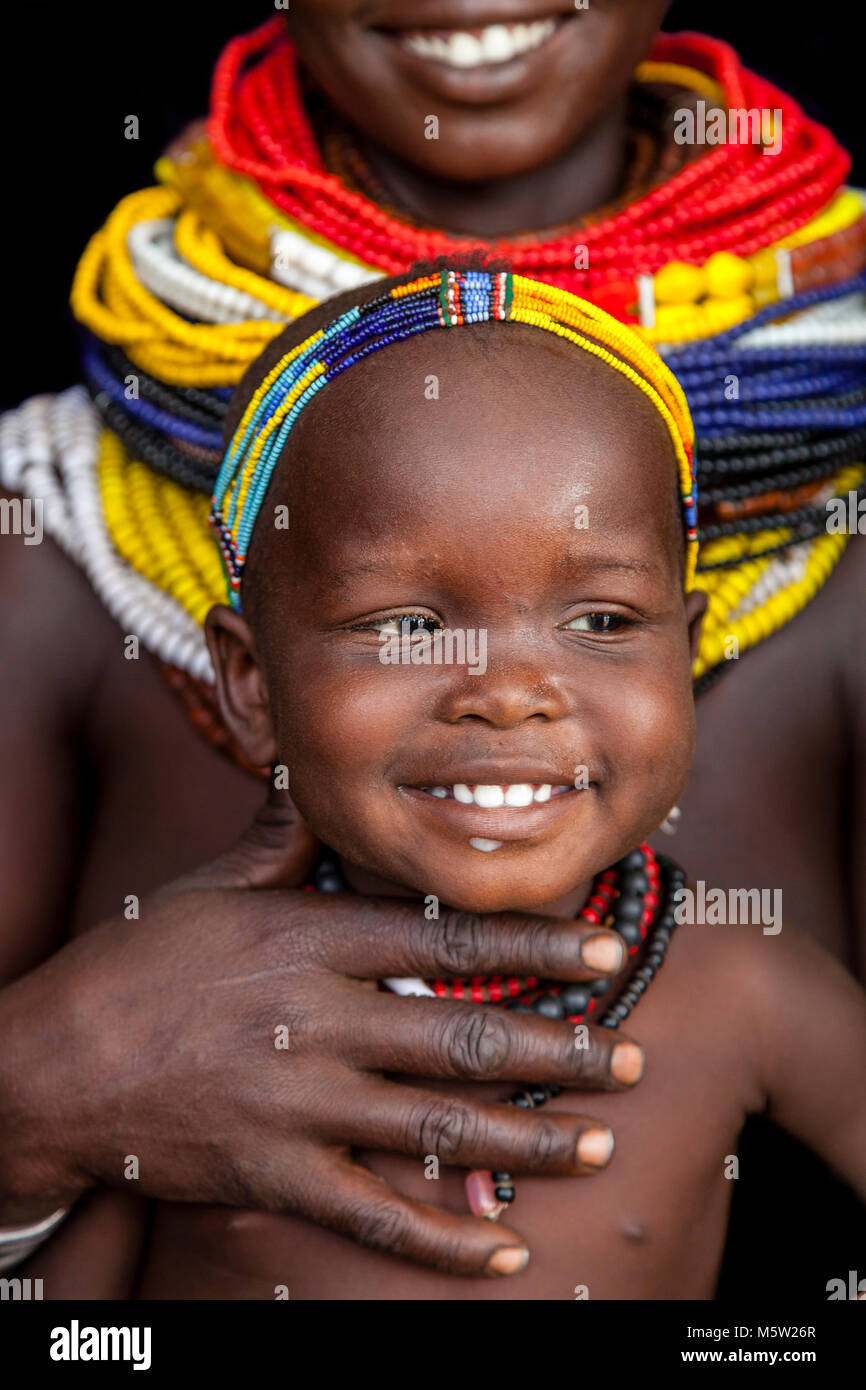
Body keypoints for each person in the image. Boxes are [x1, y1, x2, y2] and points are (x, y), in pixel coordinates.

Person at [1, 2, 864, 1285]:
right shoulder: (49, 542)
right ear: (248, 678)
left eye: (601, 619)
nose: (511, 692)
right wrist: (39, 1096)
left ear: (683, 632)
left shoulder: (753, 981)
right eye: (405, 620)